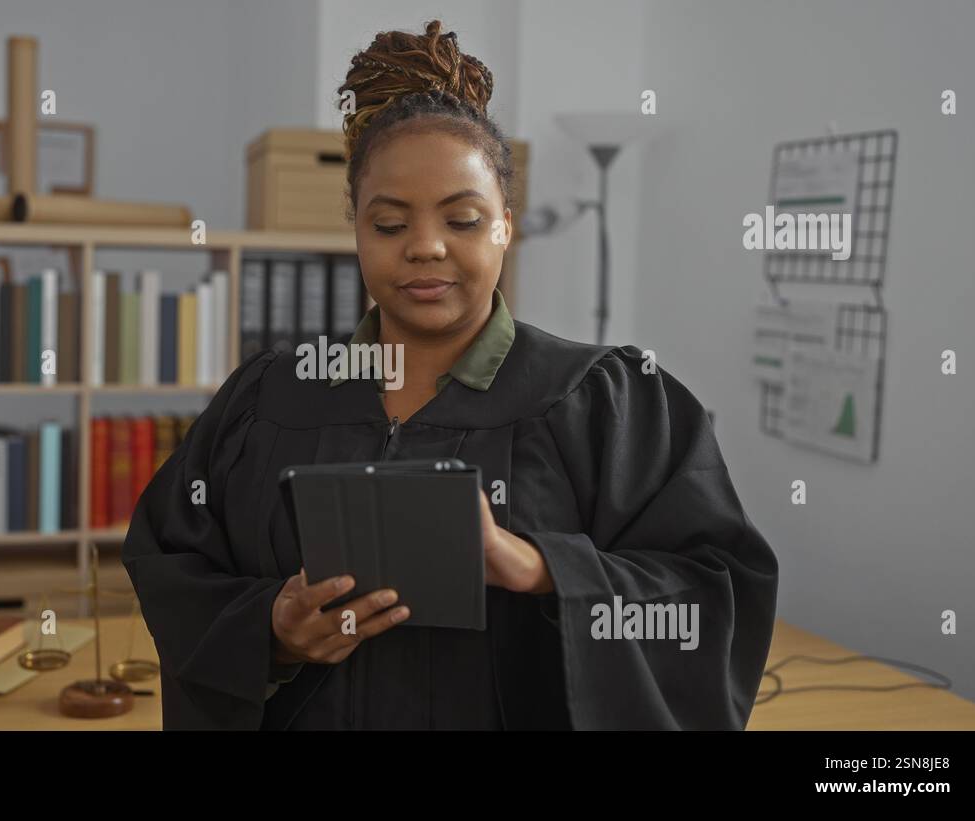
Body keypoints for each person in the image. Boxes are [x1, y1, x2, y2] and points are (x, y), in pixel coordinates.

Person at [123, 19, 778, 730]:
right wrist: (271, 631)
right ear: (354, 225)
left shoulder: (607, 404)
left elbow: (713, 597)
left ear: (506, 224)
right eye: (389, 223)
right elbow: (171, 564)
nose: (425, 247)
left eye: (462, 220)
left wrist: (535, 566)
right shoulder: (269, 399)